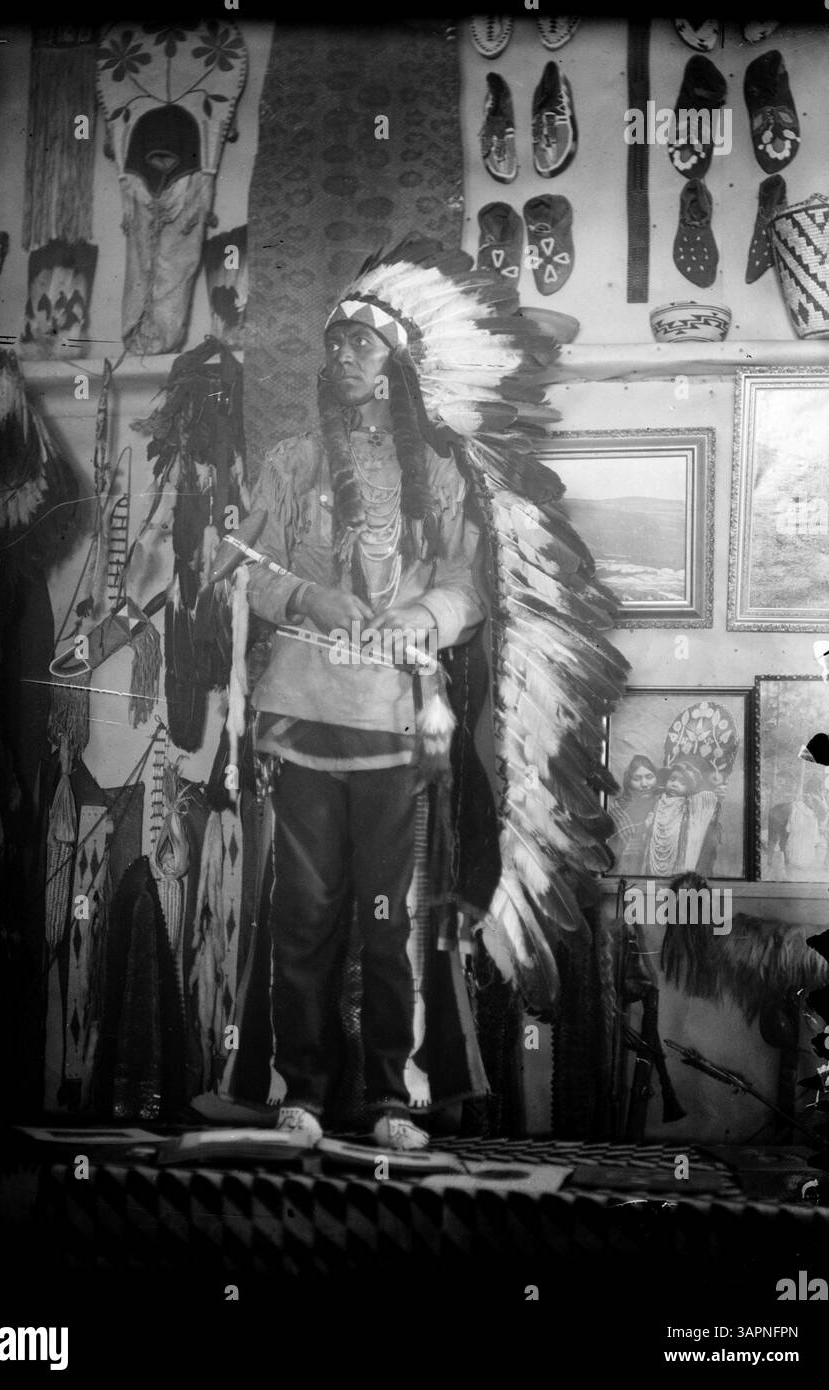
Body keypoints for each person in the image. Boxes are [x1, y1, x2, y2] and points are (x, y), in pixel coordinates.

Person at [242, 293, 486, 1151]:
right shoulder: (290, 461)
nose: (344, 355)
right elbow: (249, 570)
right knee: (304, 910)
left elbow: (468, 587)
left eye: (362, 343)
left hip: (396, 719)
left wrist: (424, 618)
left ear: (395, 361)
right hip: (303, 709)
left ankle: (392, 1097)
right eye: (334, 340)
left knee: (391, 917)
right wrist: (306, 592)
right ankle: (300, 1093)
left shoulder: (439, 473)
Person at [609, 754, 658, 874]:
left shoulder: (664, 803)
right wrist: (643, 828)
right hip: (629, 870)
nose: (644, 784)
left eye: (649, 777)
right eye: (637, 779)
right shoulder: (619, 809)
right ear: (628, 782)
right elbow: (614, 848)